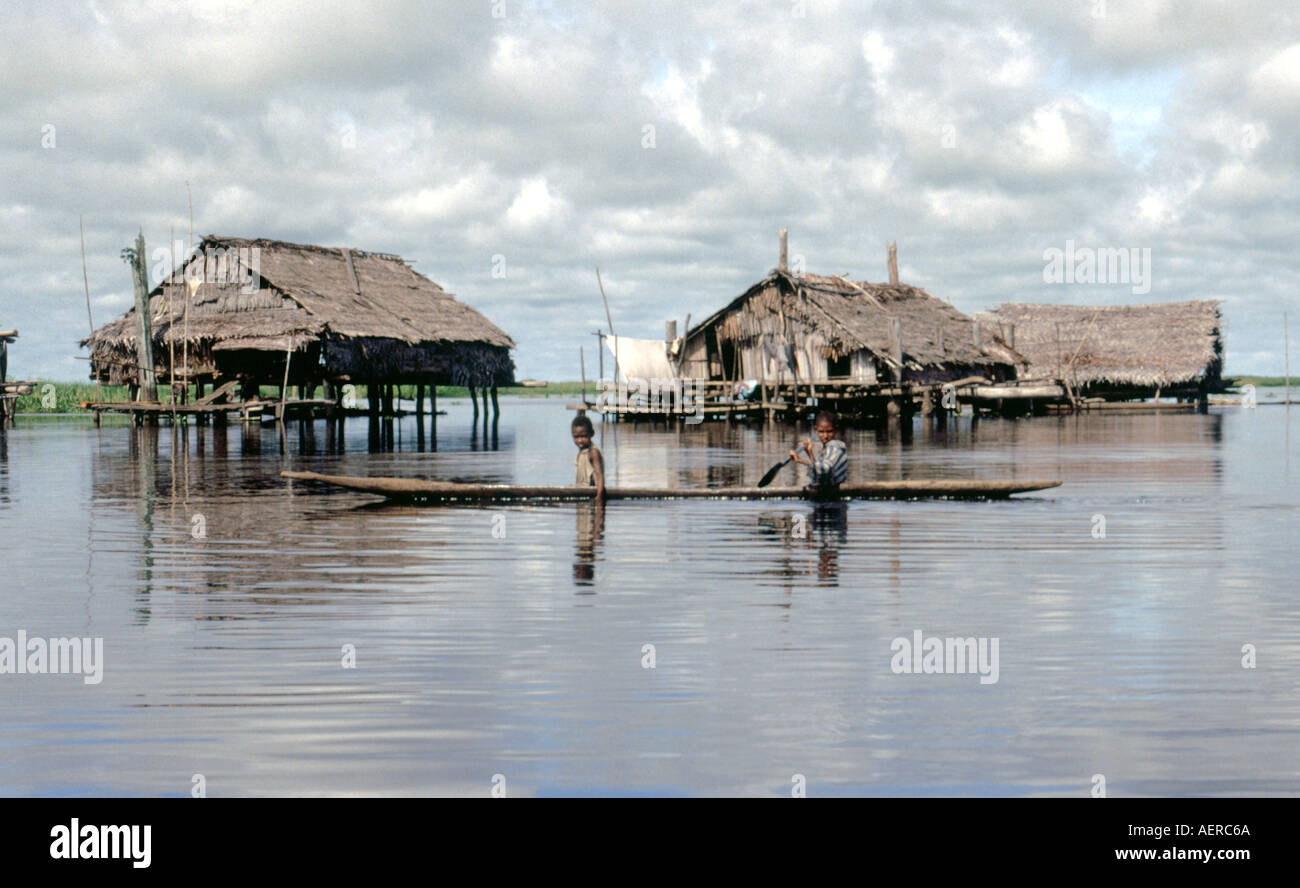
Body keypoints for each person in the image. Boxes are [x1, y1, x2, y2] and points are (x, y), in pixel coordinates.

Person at [789, 411, 847, 495]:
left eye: (829, 431)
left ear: (835, 429)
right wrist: (809, 452)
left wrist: (799, 460)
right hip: (827, 495)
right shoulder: (827, 448)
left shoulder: (834, 448)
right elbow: (819, 471)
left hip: (833, 501)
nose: (825, 436)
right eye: (821, 432)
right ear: (816, 430)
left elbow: (825, 468)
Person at [572, 414, 606, 501]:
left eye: (583, 436)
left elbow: (599, 475)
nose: (580, 440)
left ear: (591, 434)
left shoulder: (593, 452)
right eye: (577, 437)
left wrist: (599, 496)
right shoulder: (581, 453)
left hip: (592, 495)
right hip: (583, 495)